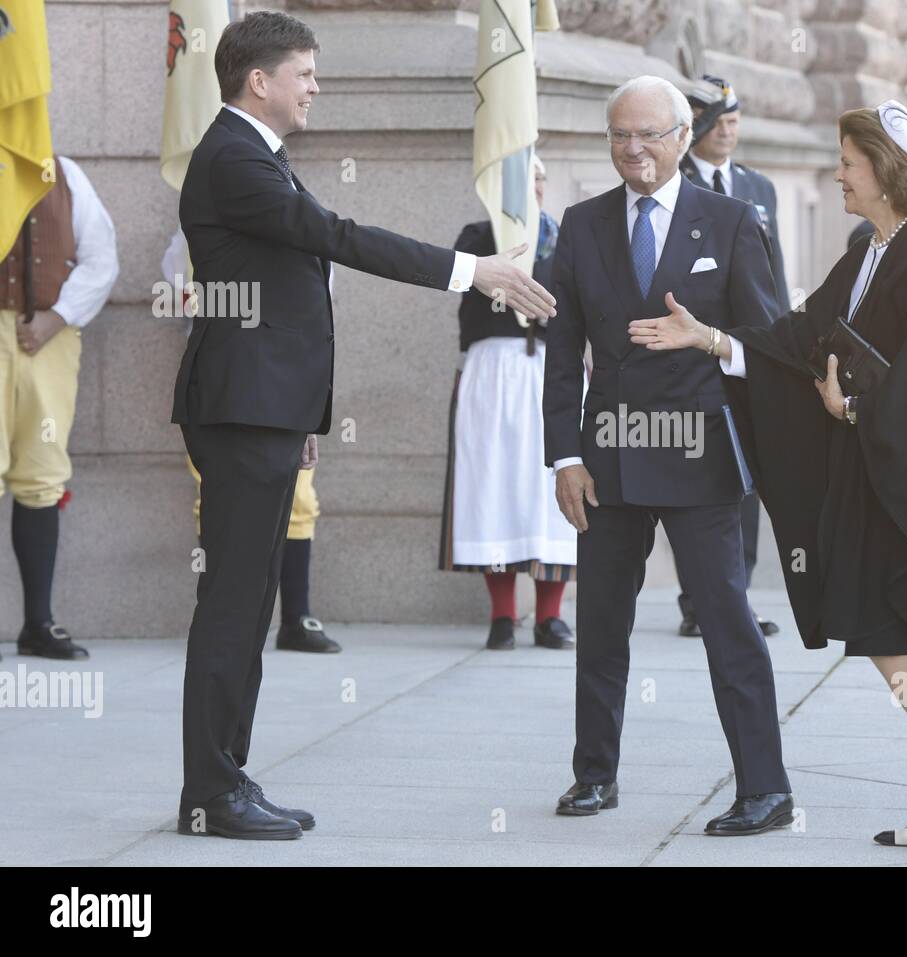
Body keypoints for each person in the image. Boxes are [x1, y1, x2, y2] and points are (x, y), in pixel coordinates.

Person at [171, 11, 554, 841]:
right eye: (304, 72)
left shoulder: (256, 156)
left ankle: (228, 777)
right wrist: (471, 271)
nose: (316, 86)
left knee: (250, 596)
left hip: (262, 409)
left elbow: (288, 284)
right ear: (258, 80)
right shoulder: (234, 155)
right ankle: (208, 792)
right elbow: (335, 238)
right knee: (234, 603)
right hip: (238, 409)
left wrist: (301, 415)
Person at [630, 101, 907, 852]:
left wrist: (852, 407)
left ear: (884, 169)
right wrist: (710, 338)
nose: (838, 173)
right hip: (884, 469)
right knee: (906, 629)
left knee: (883, 624)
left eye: (847, 162)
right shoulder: (872, 248)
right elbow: (799, 335)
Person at [542, 75, 794, 835]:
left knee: (726, 620)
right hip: (609, 457)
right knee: (603, 624)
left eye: (649, 134)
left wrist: (711, 341)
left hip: (699, 455)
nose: (634, 150)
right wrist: (564, 458)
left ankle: (766, 787)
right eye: (620, 134)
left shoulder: (730, 221)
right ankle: (594, 776)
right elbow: (561, 355)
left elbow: (772, 338)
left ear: (684, 137)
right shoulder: (581, 225)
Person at [165, 228, 340, 654]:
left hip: (280, 374)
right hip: (221, 376)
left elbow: (315, 306)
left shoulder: (299, 228)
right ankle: (227, 616)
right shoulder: (191, 232)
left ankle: (296, 617)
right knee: (219, 496)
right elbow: (175, 295)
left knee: (297, 495)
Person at [439, 155, 576, 651]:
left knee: (552, 488)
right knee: (491, 485)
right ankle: (501, 615)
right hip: (493, 372)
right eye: (519, 184)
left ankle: (550, 617)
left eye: (537, 181)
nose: (531, 190)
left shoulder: (566, 239)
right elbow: (460, 281)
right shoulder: (476, 239)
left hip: (547, 371)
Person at [674, 74, 785, 638]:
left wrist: (783, 344)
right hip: (693, 349)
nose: (728, 133)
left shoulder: (758, 187)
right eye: (720, 123)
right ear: (697, 127)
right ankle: (697, 600)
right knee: (699, 480)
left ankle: (735, 597)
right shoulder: (677, 180)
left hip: (748, 354)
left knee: (745, 479)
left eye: (735, 122)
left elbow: (774, 277)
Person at [0, 154, 118, 662]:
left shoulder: (65, 174)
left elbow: (101, 259)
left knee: (42, 476)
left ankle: (38, 624)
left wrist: (58, 316)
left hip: (47, 340)